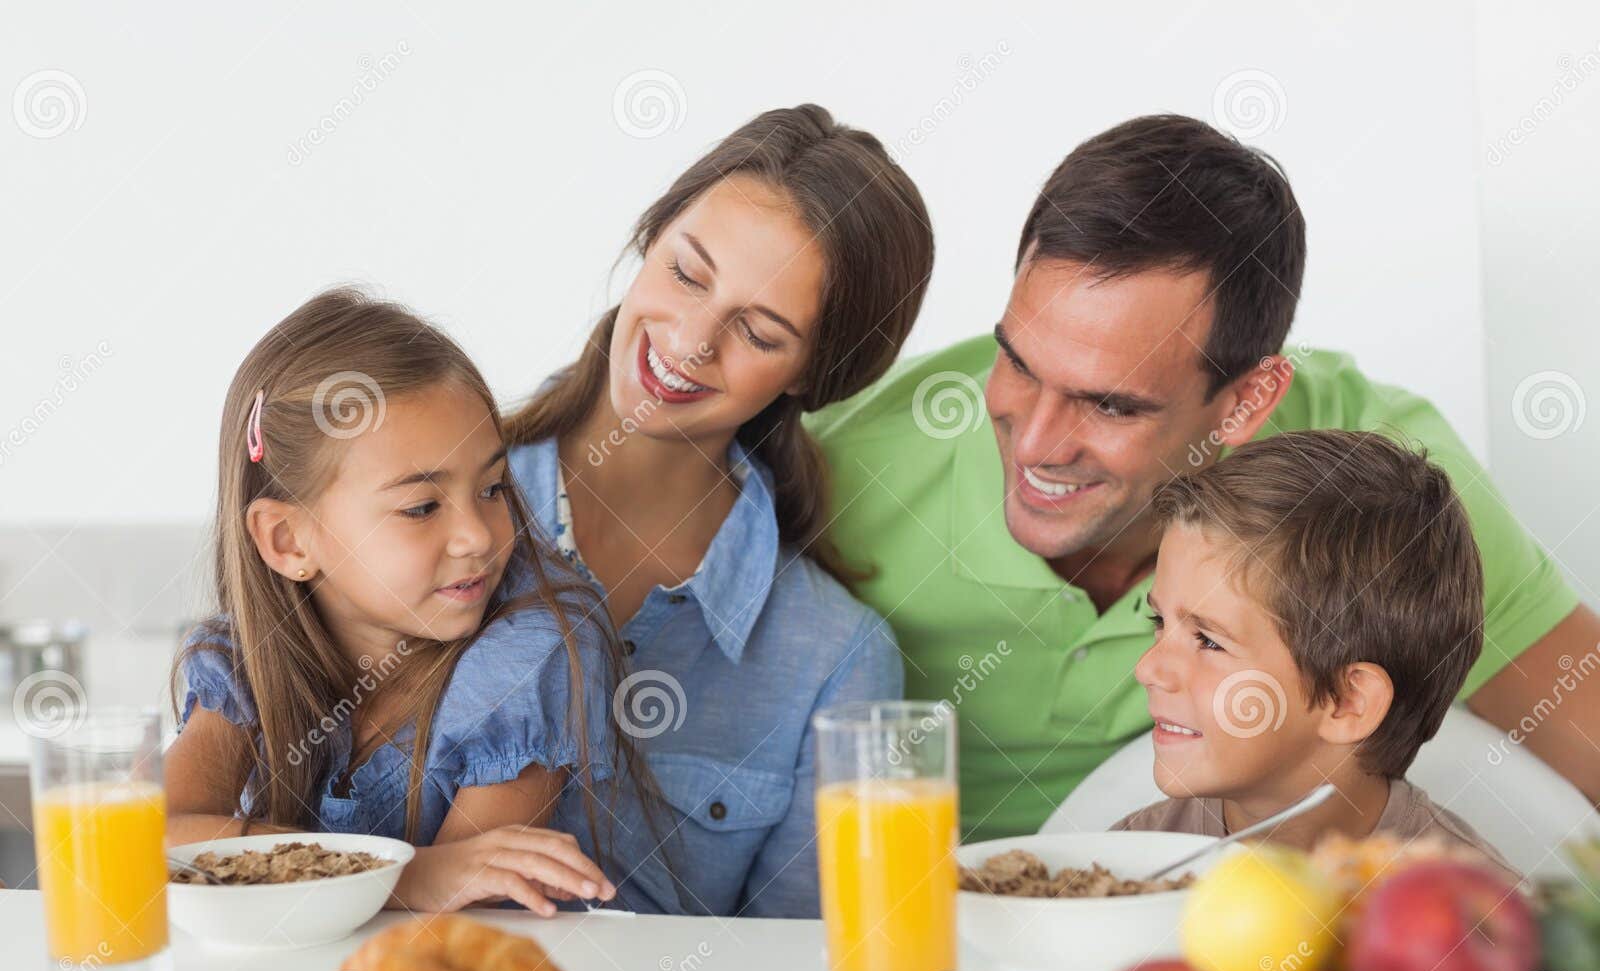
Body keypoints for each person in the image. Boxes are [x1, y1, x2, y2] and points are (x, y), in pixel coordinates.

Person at [808, 113, 1596, 842]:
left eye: (1111, 405)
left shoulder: (1382, 498)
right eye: (1016, 360)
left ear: (1247, 400)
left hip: (1235, 944)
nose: (1038, 442)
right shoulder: (841, 465)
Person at [503, 105, 934, 916]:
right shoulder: (414, 512)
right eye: (687, 273)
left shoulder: (837, 665)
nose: (693, 340)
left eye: (759, 332)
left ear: (813, 375)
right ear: (651, 233)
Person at [165, 287, 646, 915]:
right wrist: (407, 876)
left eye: (495, 487)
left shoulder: (534, 649)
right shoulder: (243, 662)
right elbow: (152, 842)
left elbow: (474, 906)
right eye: (421, 507)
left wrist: (269, 864)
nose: (478, 537)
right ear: (288, 541)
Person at [1113, 429, 1508, 871]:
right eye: (1158, 622)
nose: (1149, 669)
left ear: (1348, 701)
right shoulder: (1119, 875)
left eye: (1208, 640)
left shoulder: (1477, 920)